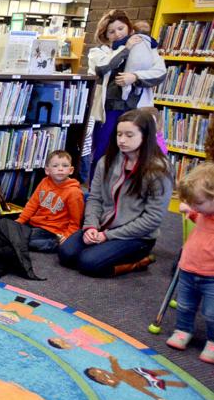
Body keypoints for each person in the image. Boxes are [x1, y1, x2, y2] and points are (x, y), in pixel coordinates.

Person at [58, 109, 173, 277]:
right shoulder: (107, 162)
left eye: (129, 135)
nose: (122, 140)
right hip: (102, 226)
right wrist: (90, 226)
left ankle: (137, 263)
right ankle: (102, 247)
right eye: (119, 134)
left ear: (145, 136)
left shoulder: (159, 170)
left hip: (136, 236)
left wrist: (108, 235)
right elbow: (95, 198)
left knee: (88, 263)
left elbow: (153, 218)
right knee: (66, 254)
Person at [84, 9, 166, 182]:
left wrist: (135, 77)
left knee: (135, 152)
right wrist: (125, 49)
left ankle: (129, 192)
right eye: (111, 31)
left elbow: (160, 73)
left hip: (135, 111)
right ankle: (96, 189)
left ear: (129, 28)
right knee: (103, 150)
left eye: (121, 28)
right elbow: (102, 68)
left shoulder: (147, 49)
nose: (117, 34)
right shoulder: (98, 52)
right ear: (105, 35)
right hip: (109, 111)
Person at [166, 163, 214, 364]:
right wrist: (191, 210)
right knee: (185, 305)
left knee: (211, 313)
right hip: (188, 268)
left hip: (211, 276)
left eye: (199, 202)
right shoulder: (203, 213)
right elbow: (198, 216)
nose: (195, 206)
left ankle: (212, 341)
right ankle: (183, 330)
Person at [15, 150, 84, 252]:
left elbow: (75, 221)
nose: (60, 169)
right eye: (55, 166)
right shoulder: (44, 182)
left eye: (65, 166)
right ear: (47, 170)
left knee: (22, 240)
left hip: (55, 231)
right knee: (17, 234)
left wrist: (68, 237)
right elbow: (32, 204)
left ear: (71, 170)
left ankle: (54, 245)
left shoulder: (74, 192)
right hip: (37, 225)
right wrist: (19, 222)